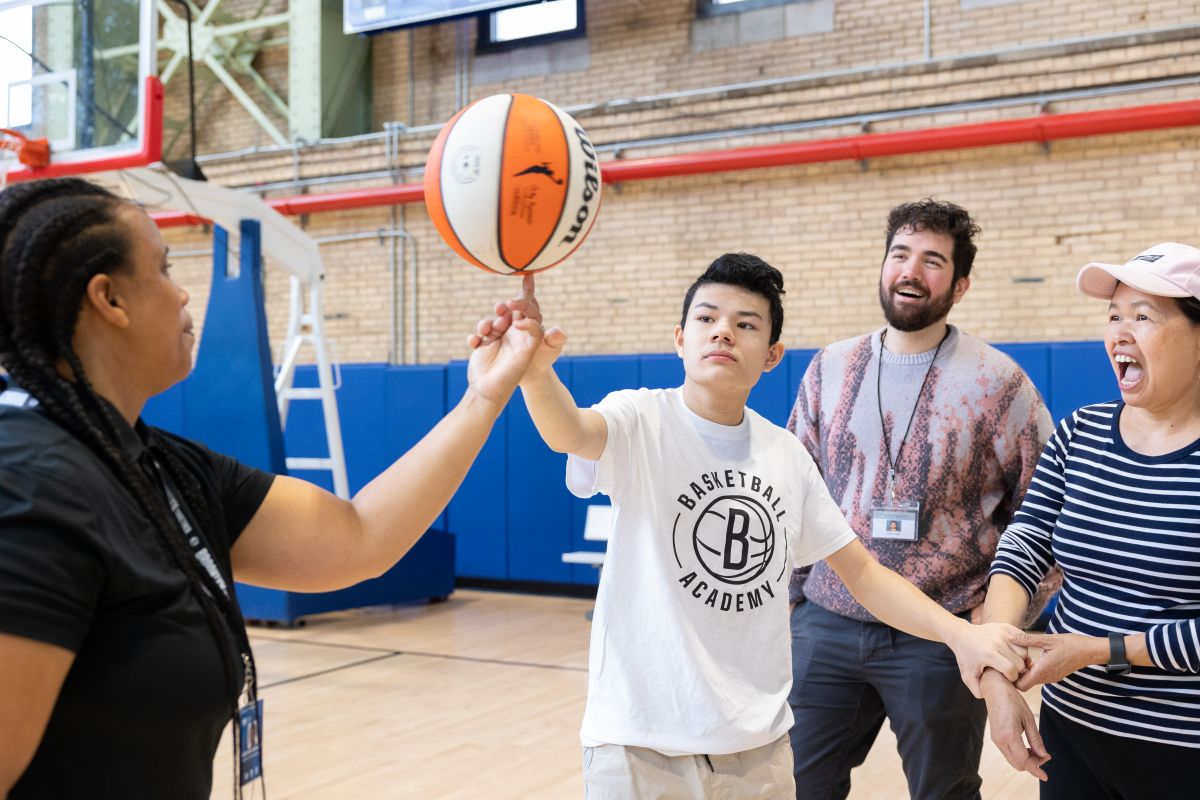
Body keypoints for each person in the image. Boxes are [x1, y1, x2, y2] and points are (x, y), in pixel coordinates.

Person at [0, 177, 541, 797]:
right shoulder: (29, 483)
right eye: (165, 268)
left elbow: (358, 538)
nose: (182, 295)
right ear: (109, 299)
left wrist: (485, 395)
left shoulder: (163, 467)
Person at [472, 253, 1028, 799]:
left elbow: (861, 572)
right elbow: (569, 432)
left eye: (745, 325)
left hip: (756, 751)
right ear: (679, 338)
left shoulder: (785, 455)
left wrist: (962, 635)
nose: (723, 334)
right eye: (707, 319)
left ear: (771, 354)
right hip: (638, 745)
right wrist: (536, 373)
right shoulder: (639, 419)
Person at [786, 199, 1056, 800]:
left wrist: (995, 629)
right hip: (827, 624)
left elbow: (1048, 516)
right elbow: (792, 496)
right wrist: (793, 608)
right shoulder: (831, 368)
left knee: (945, 791)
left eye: (932, 261)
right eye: (900, 254)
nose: (911, 271)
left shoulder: (998, 383)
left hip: (941, 637)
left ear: (959, 285)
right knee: (798, 786)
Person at [981, 242, 1200, 798]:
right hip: (1069, 733)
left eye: (1143, 317)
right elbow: (1025, 548)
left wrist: (1102, 649)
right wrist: (996, 670)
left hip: (1181, 748)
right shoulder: (1080, 434)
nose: (1119, 334)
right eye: (1113, 316)